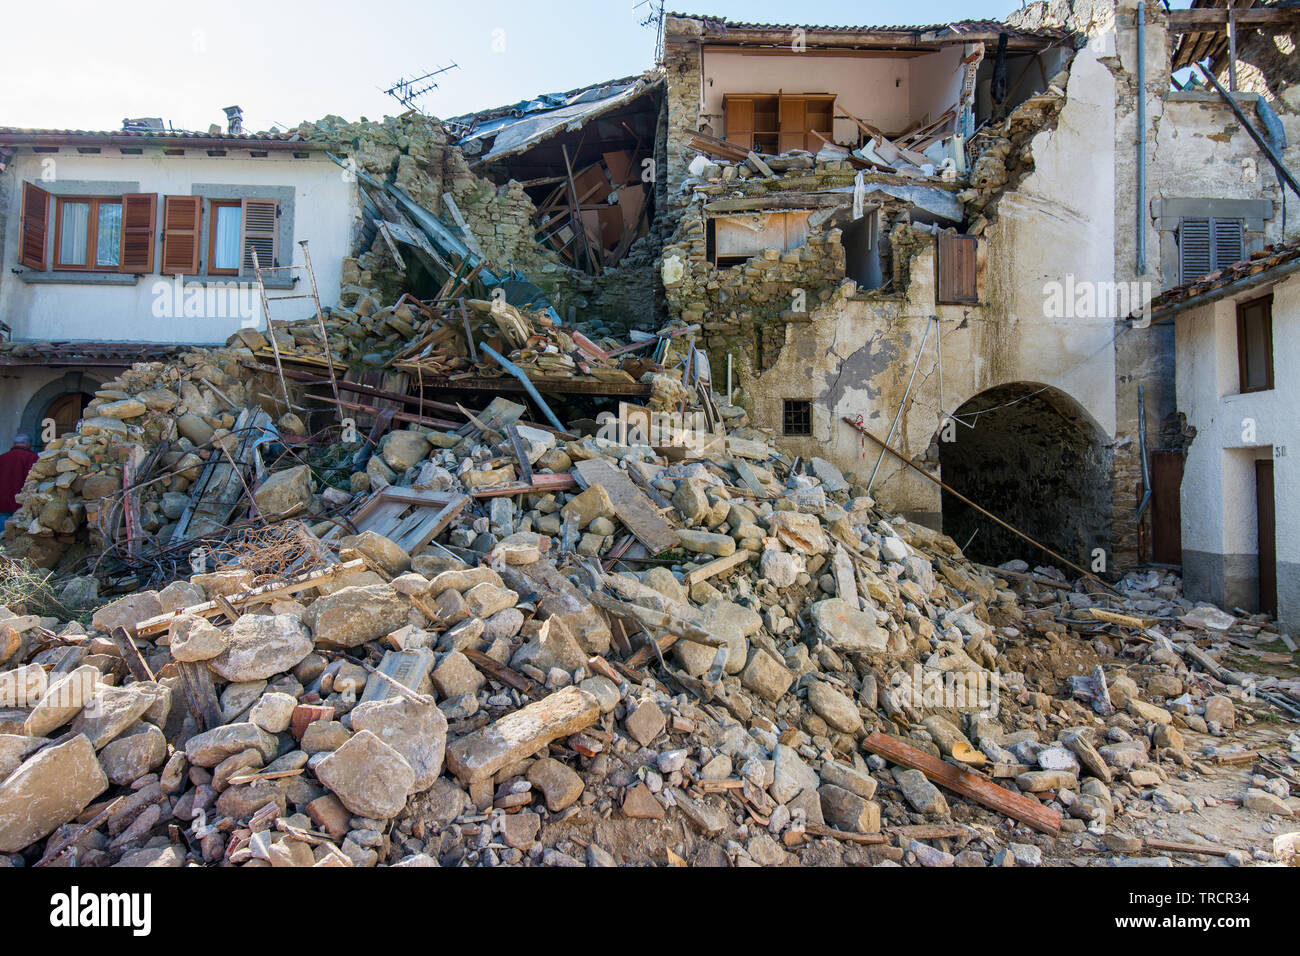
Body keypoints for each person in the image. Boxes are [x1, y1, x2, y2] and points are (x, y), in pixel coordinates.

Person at [0, 435, 39, 532]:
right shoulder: (33, 458)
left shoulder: (2, 458)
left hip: (2, 500)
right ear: (28, 443)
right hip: (22, 501)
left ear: (14, 444)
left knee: (3, 532)